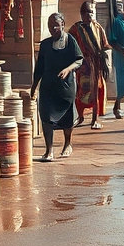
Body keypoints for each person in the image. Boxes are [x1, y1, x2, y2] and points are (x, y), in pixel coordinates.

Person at [34, 12, 84, 160]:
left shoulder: (70, 41)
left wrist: (68, 69)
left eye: (56, 24)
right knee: (46, 116)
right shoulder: (45, 44)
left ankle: (67, 144)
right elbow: (39, 67)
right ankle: (49, 150)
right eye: (50, 25)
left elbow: (79, 60)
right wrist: (33, 87)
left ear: (63, 24)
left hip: (66, 87)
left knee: (67, 118)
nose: (53, 28)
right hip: (48, 87)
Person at [67, 2, 110, 130]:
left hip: (97, 65)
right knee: (81, 92)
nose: (89, 15)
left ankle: (95, 119)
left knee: (96, 91)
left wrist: (105, 60)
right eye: (86, 12)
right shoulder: (75, 29)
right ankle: (80, 117)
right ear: (81, 14)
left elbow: (105, 45)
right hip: (83, 66)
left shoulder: (98, 27)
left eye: (91, 12)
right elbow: (70, 46)